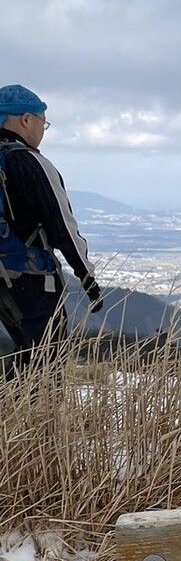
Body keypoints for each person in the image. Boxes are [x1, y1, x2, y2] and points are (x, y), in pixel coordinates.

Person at [0, 84, 102, 382]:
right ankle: (34, 425)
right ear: (25, 120)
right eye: (43, 122)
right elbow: (63, 228)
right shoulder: (32, 163)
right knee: (47, 360)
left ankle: (12, 419)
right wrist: (87, 278)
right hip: (30, 277)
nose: (43, 130)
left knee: (25, 356)